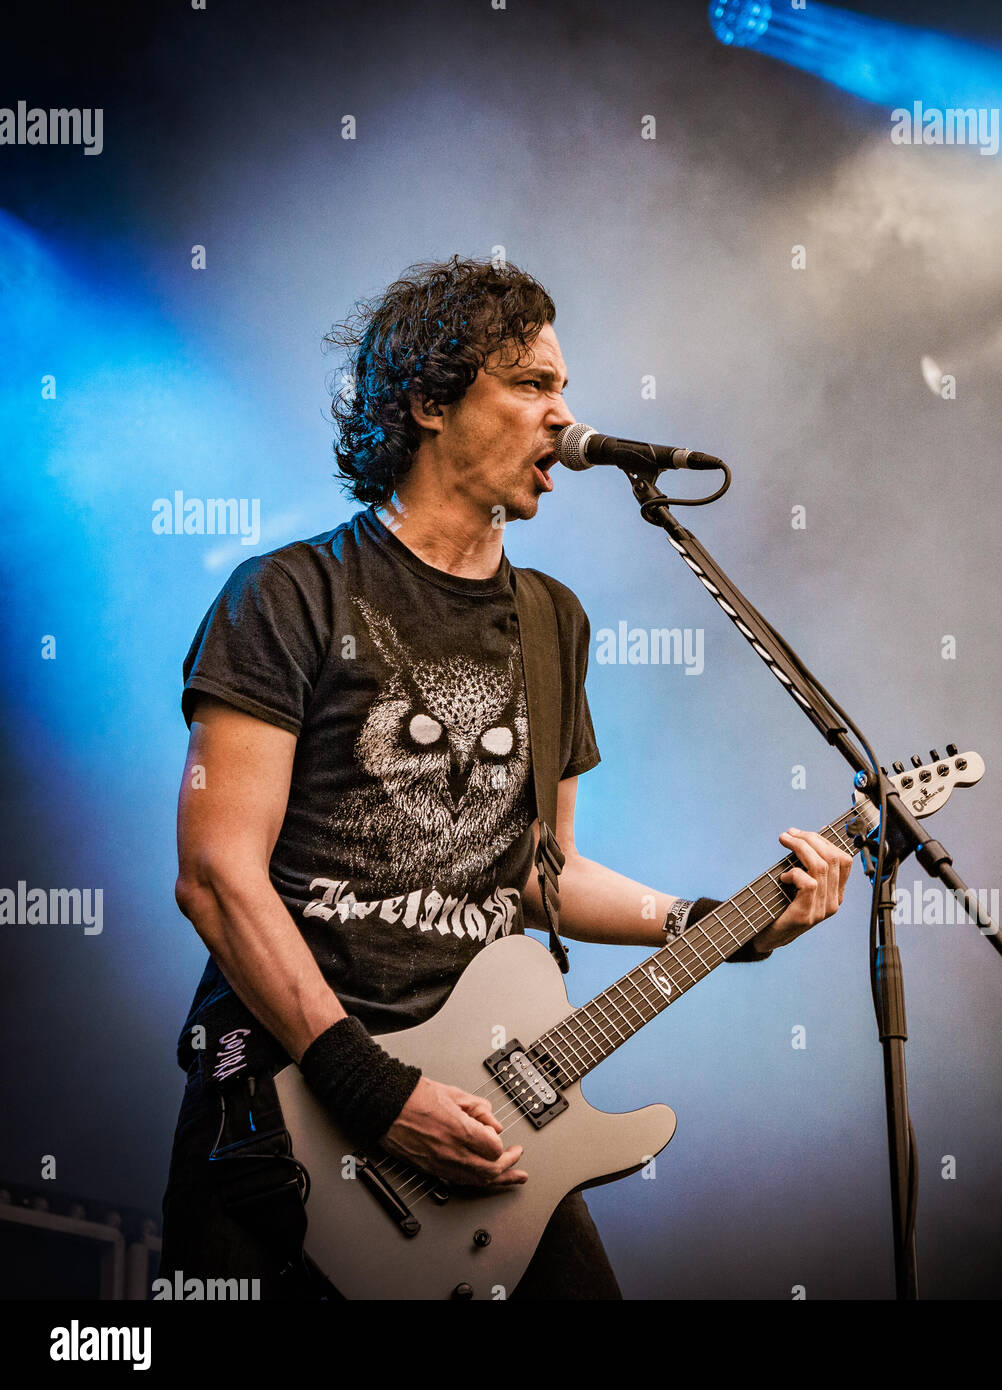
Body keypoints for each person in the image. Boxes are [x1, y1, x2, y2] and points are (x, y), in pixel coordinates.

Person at [160, 255, 853, 1300]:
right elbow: (215, 876)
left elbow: (538, 875)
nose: (563, 416)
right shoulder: (293, 592)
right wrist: (372, 1087)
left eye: (563, 389)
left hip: (482, 1105)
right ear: (431, 400)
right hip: (290, 1105)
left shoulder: (551, 621)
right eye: (531, 383)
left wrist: (714, 921)